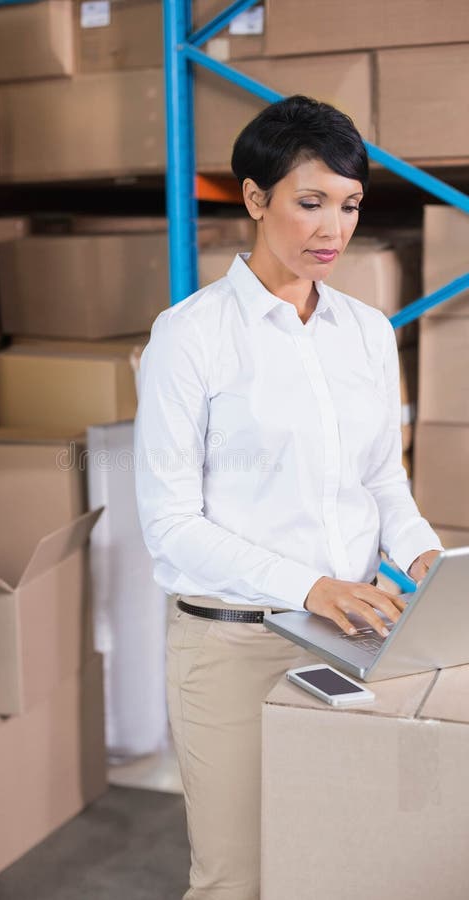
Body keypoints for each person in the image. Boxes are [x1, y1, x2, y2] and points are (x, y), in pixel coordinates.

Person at [133, 94, 443, 900]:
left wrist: (427, 558)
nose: (331, 230)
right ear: (254, 197)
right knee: (237, 876)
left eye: (347, 206)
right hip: (232, 645)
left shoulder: (368, 333)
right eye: (310, 203)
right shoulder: (190, 335)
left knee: (335, 861)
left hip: (350, 636)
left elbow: (382, 481)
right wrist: (312, 586)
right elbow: (171, 526)